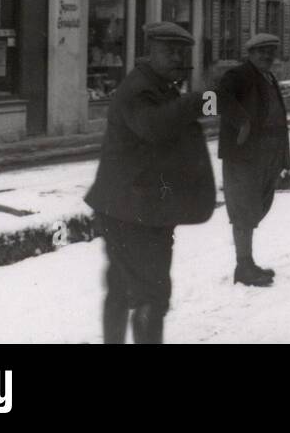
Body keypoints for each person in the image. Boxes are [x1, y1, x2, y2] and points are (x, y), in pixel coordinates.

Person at [85, 22, 215, 343]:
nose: (176, 58)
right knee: (151, 293)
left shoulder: (158, 86)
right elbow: (153, 127)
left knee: (121, 286)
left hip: (128, 206)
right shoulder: (140, 89)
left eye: (180, 52)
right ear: (150, 51)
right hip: (134, 210)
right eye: (168, 51)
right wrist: (196, 101)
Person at [217, 34, 290, 286]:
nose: (266, 56)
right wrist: (240, 121)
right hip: (244, 155)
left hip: (268, 154)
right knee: (243, 209)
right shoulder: (238, 75)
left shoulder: (268, 76)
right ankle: (244, 266)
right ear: (250, 53)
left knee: (258, 206)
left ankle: (247, 262)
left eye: (270, 52)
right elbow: (211, 99)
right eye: (261, 52)